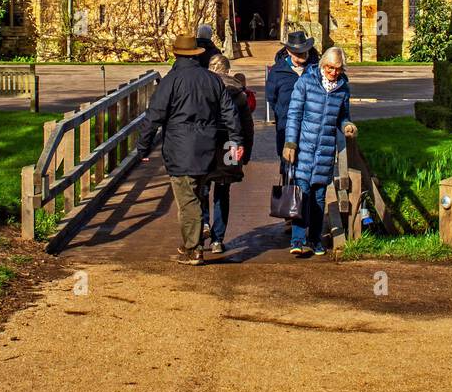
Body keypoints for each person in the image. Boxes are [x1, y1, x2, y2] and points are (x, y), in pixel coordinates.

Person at [135, 33, 243, 266]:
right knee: (196, 194)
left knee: (188, 200)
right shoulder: (212, 80)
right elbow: (230, 113)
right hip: (208, 148)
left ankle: (193, 249)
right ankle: (191, 244)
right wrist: (236, 140)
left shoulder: (171, 81)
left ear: (176, 54)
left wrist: (143, 148)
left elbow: (154, 116)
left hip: (179, 149)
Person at [282, 46, 357, 257]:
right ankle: (297, 239)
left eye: (338, 69)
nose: (334, 72)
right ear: (323, 65)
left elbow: (343, 116)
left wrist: (347, 126)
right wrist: (290, 144)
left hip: (324, 150)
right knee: (301, 194)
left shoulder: (343, 88)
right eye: (330, 68)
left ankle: (315, 239)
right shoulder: (306, 82)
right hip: (305, 147)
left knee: (318, 197)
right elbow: (294, 115)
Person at [265, 30, 320, 236]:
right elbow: (272, 97)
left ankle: (307, 212)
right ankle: (290, 213)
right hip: (286, 129)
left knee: (307, 170)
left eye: (305, 52)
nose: (302, 57)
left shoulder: (314, 70)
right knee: (288, 169)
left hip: (310, 128)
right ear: (288, 52)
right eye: (298, 53)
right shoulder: (278, 72)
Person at [201, 53, 255, 256]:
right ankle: (217, 239)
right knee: (223, 191)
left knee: (203, 186)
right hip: (230, 145)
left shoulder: (203, 90)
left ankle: (204, 222)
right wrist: (246, 152)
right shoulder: (238, 94)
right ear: (228, 71)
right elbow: (247, 127)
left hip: (207, 144)